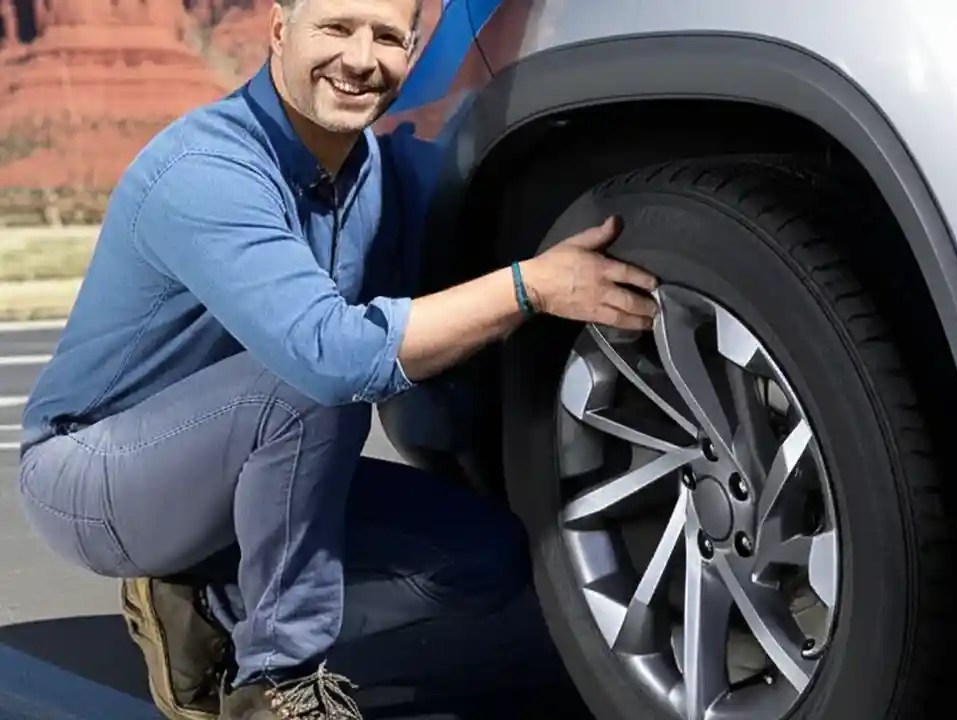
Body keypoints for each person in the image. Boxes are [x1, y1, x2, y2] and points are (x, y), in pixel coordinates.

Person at [14, 1, 659, 719]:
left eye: (387, 37)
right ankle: (277, 682)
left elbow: (427, 349)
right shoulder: (207, 169)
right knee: (312, 371)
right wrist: (531, 286)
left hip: (249, 457)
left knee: (482, 558)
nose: (361, 57)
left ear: (412, 53)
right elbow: (330, 358)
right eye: (336, 27)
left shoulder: (379, 178)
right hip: (97, 476)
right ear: (280, 30)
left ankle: (209, 602)